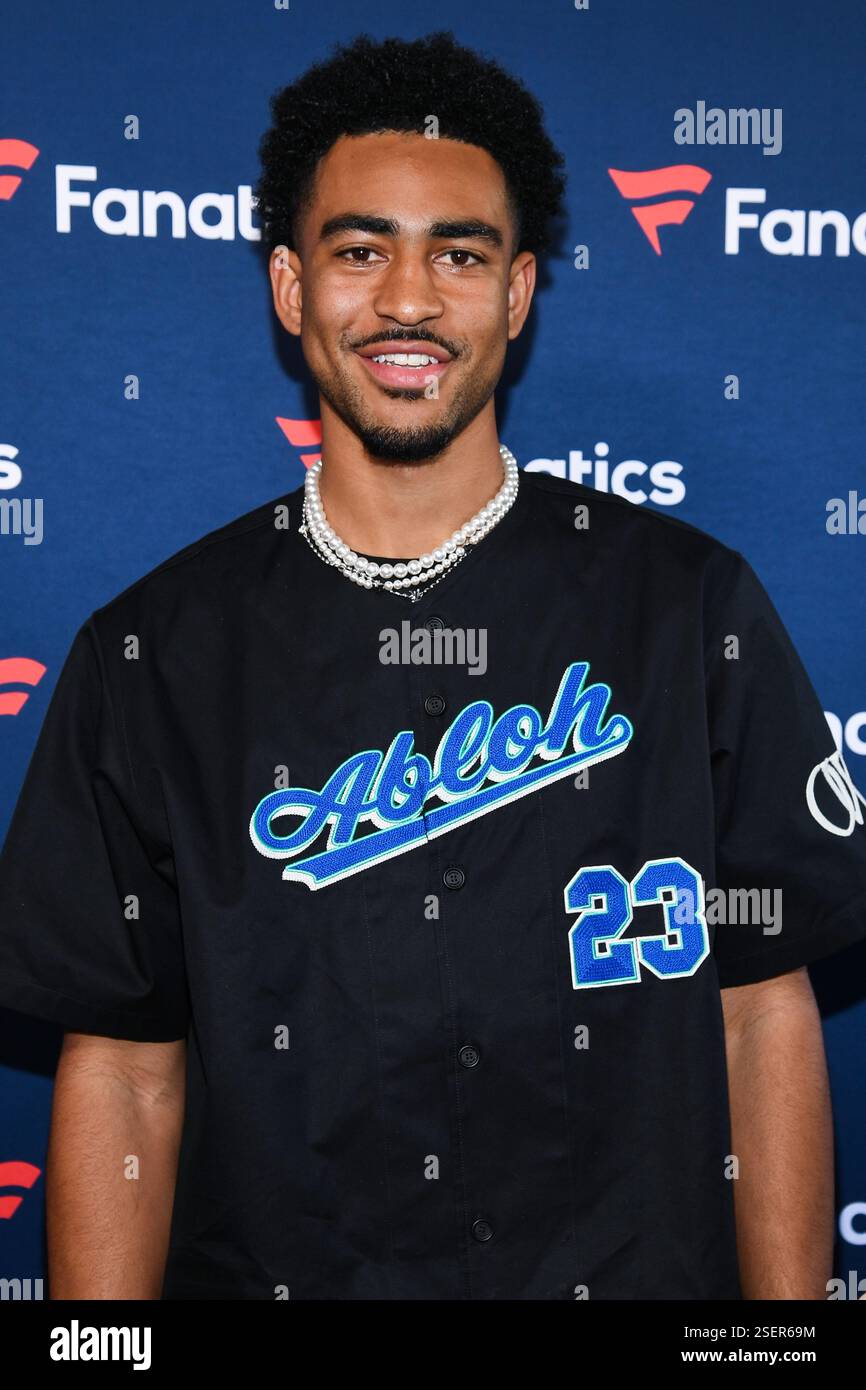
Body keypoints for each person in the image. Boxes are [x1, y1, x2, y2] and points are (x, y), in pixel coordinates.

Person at [2, 29, 866, 1302]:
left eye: (456, 253)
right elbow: (126, 1069)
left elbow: (758, 1008)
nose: (406, 300)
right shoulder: (153, 654)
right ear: (292, 290)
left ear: (516, 294)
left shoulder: (684, 608)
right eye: (360, 251)